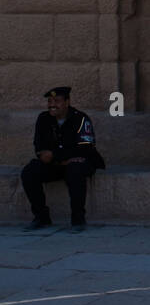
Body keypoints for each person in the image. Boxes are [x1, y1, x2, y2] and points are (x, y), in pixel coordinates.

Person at [21, 87, 105, 233]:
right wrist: (55, 158)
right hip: (56, 164)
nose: (52, 105)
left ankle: (78, 220)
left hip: (81, 162)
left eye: (57, 101)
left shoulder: (80, 118)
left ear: (67, 102)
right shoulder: (43, 119)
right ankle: (41, 217)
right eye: (50, 101)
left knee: (75, 169)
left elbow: (85, 148)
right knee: (29, 172)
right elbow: (39, 146)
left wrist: (55, 155)